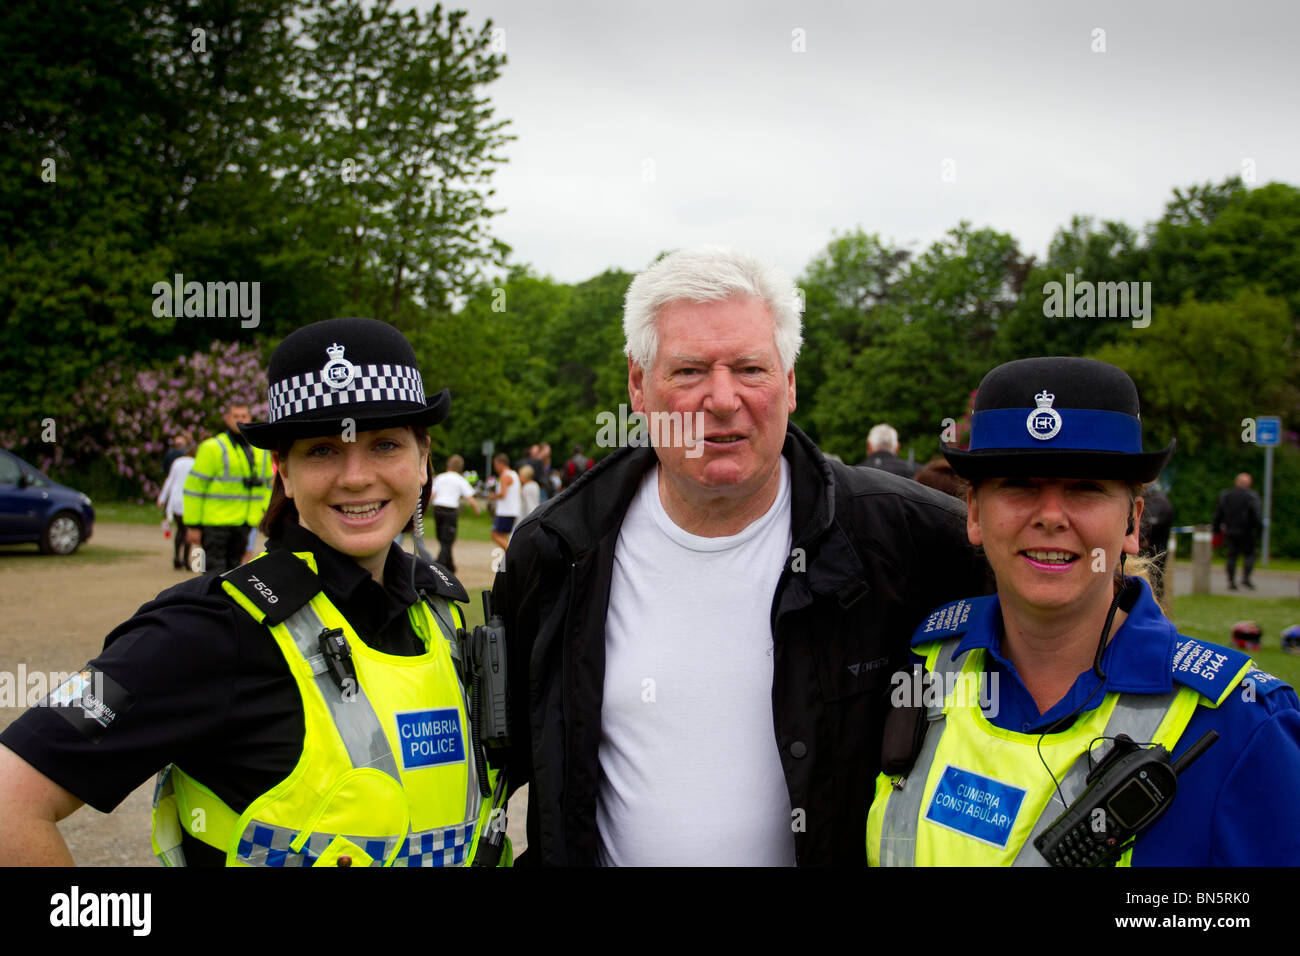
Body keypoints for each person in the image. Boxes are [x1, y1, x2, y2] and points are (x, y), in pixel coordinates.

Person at [491, 246, 989, 866]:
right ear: (638, 386)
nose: (722, 399)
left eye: (750, 369)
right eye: (690, 371)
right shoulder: (556, 551)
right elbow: (495, 768)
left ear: (789, 382)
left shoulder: (914, 540)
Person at [0, 317, 509, 867]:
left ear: (424, 459)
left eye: (385, 444)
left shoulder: (444, 617)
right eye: (322, 450)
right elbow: (11, 801)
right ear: (283, 473)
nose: (357, 476)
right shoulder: (206, 628)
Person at [867, 357, 1300, 866]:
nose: (1051, 516)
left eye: (1086, 488)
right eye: (1020, 485)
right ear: (976, 515)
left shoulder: (1242, 725)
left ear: (1133, 522)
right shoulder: (924, 666)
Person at [183, 402, 273, 575]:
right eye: (236, 417)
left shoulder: (260, 450)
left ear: (250, 418)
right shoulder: (212, 447)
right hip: (216, 522)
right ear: (227, 419)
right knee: (212, 573)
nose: (240, 420)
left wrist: (263, 511)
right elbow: (194, 487)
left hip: (245, 521)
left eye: (244, 416)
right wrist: (193, 524)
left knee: (234, 573)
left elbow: (267, 485)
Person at [430, 453, 481, 573]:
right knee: (447, 540)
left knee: (442, 538)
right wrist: (476, 509)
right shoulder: (460, 479)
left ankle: (450, 566)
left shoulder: (440, 477)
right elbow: (469, 496)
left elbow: (432, 495)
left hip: (437, 509)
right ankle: (440, 566)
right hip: (450, 511)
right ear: (461, 467)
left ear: (448, 465)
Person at [1213, 473, 1263, 590]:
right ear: (1249, 484)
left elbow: (1218, 515)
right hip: (1247, 532)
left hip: (1231, 531)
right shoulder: (1252, 496)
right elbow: (1257, 516)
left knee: (1232, 556)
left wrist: (1216, 531)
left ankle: (1231, 581)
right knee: (1250, 555)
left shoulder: (1226, 495)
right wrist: (1259, 532)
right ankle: (1246, 577)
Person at [157, 438, 196, 569]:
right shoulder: (196, 463)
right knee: (187, 530)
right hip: (188, 501)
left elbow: (169, 481)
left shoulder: (177, 462)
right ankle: (185, 559)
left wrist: (162, 498)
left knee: (180, 529)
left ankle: (176, 557)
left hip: (175, 500)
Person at [1138, 481, 1174, 605]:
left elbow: (1150, 523)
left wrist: (1139, 538)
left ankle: (1155, 608)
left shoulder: (1157, 500)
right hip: (1151, 551)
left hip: (1153, 552)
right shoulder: (1151, 498)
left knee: (1153, 583)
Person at [489, 452, 520, 551]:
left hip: (505, 511)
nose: (495, 468)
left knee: (495, 535)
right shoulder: (515, 474)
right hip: (513, 510)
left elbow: (503, 494)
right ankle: (507, 561)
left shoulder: (505, 476)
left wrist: (493, 496)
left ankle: (512, 554)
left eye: (495, 465)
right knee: (503, 536)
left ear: (501, 463)